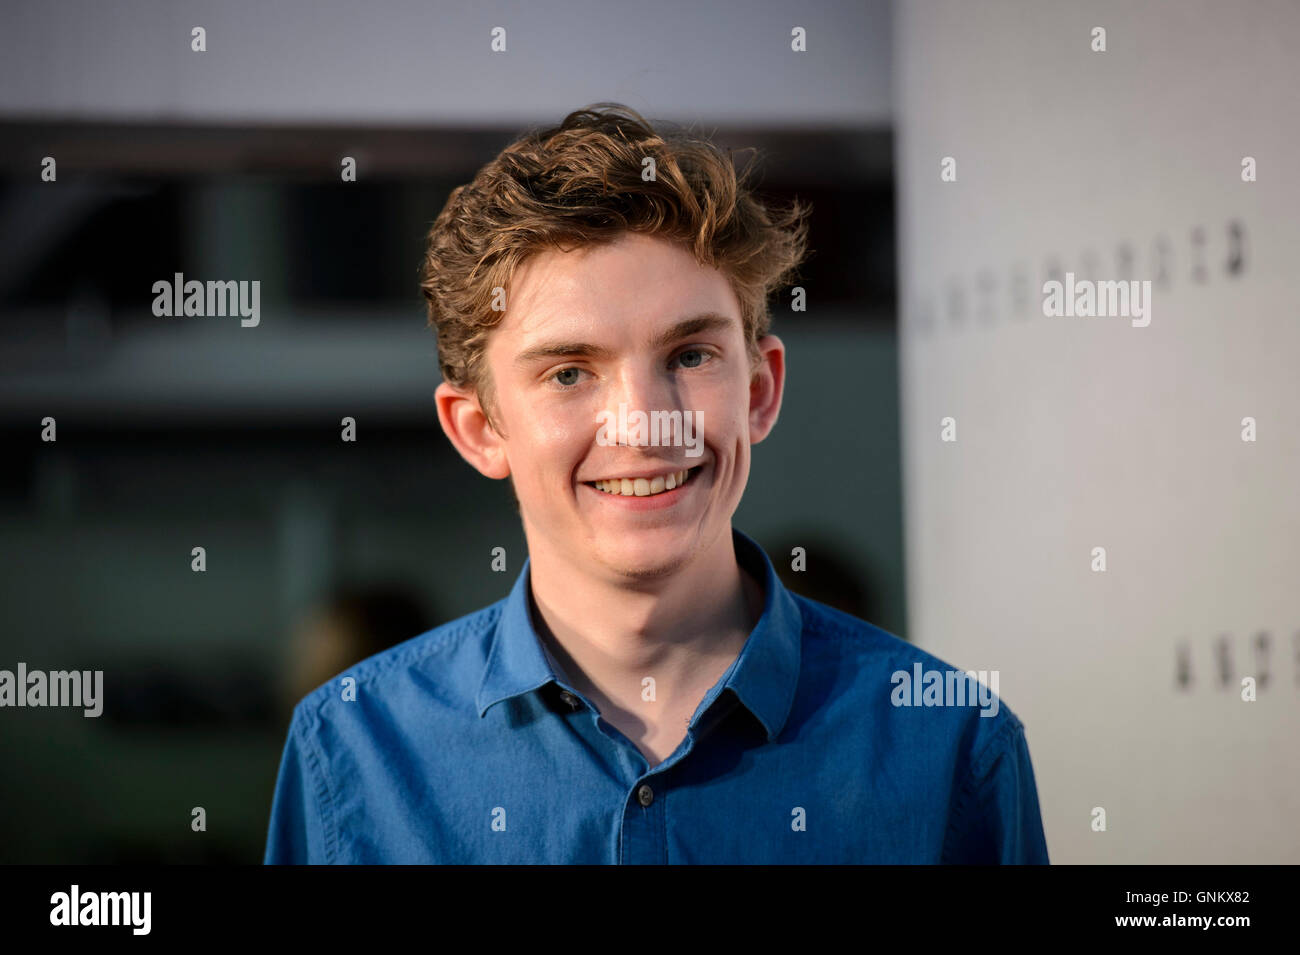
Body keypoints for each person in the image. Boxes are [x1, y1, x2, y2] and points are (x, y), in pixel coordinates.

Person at [264, 103, 1050, 864]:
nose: (643, 426)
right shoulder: (351, 754)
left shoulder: (952, 749)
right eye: (570, 372)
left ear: (759, 391)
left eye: (690, 356)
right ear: (480, 428)